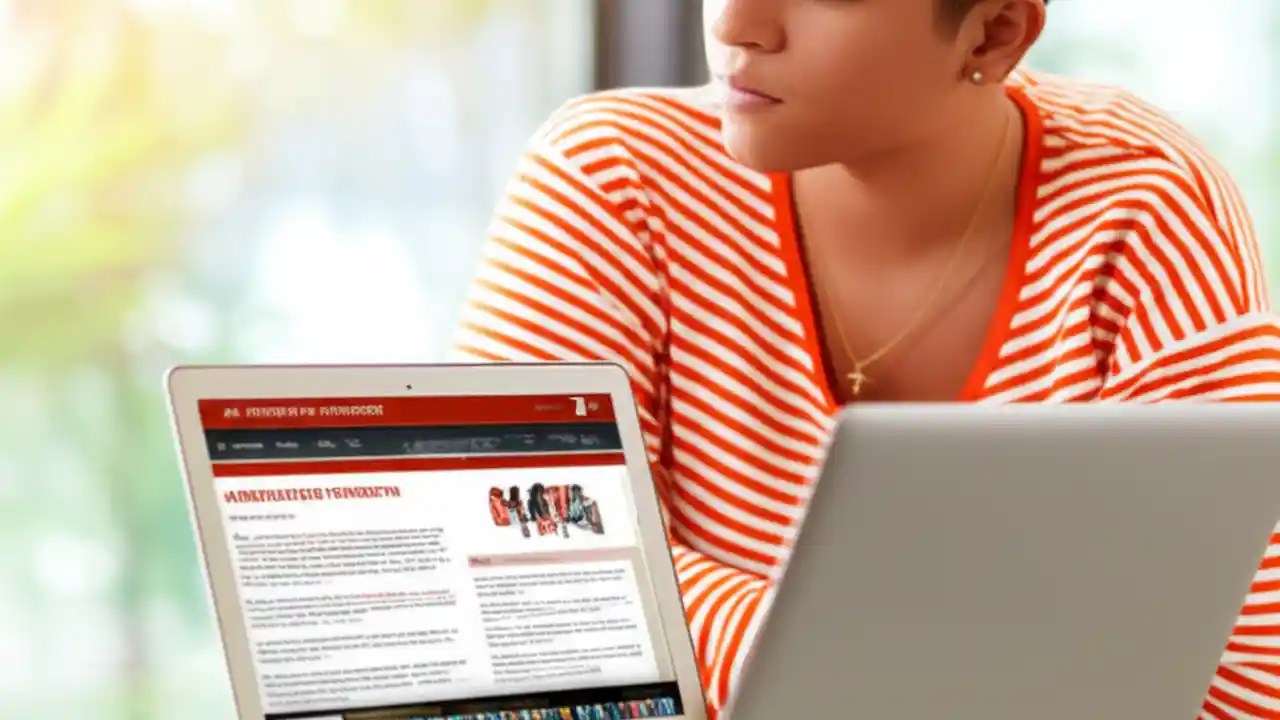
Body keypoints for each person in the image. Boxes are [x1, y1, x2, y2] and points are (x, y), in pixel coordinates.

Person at [454, 0, 1280, 716]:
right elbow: (513, 585)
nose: (736, 24)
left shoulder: (1144, 202)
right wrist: (948, 679)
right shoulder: (608, 179)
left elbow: (1250, 675)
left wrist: (818, 664)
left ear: (991, 36)